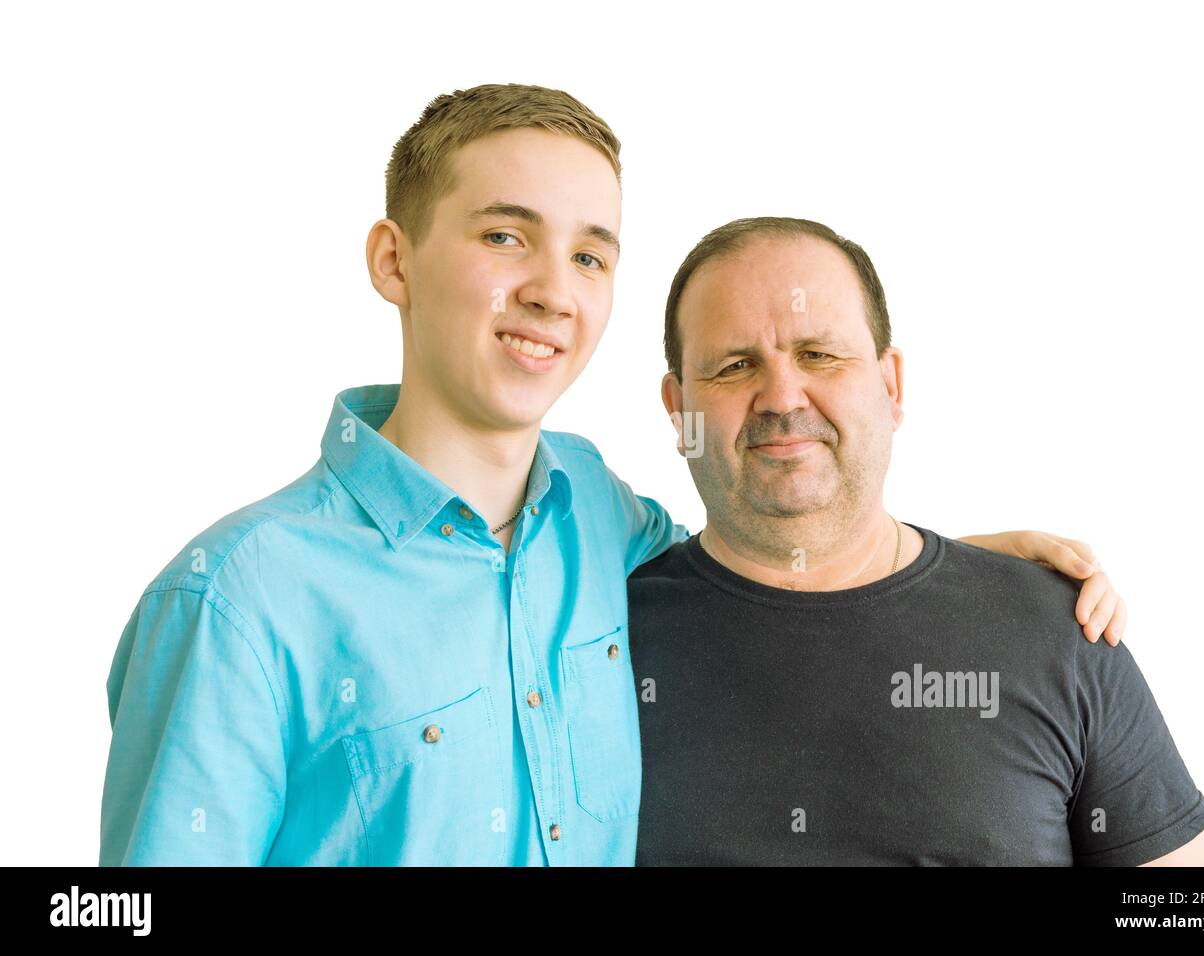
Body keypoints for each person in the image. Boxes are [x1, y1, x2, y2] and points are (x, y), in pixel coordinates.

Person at [100, 86, 1127, 867]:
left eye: (591, 256)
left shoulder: (596, 515)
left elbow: (766, 559)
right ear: (393, 260)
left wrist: (963, 573)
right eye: (505, 235)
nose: (552, 289)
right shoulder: (238, 598)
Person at [632, 216, 1204, 865]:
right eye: (735, 365)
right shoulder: (588, 642)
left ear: (891, 387)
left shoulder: (1056, 628)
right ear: (676, 406)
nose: (780, 395)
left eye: (818, 354)